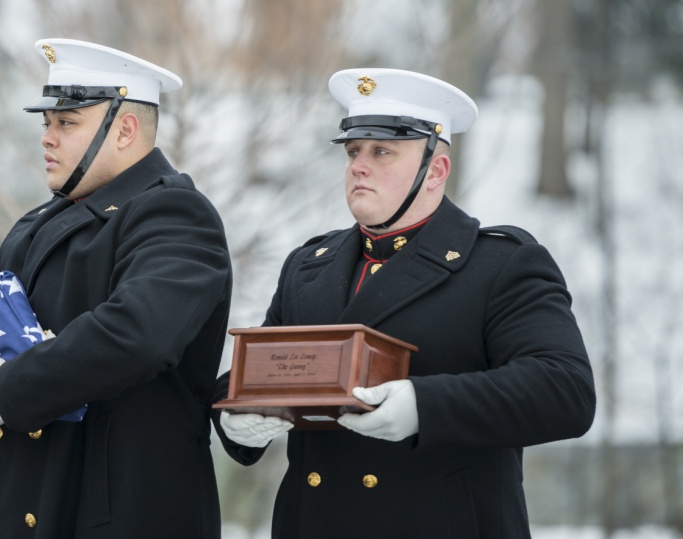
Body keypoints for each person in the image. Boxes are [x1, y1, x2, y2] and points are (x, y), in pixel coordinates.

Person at [213, 68, 595, 538]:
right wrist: (232, 414)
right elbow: (268, 367)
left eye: (382, 151)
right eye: (353, 151)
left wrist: (425, 406)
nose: (357, 165)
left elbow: (565, 390)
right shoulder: (308, 266)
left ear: (435, 170)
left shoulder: (500, 265)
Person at [0, 38, 232, 538]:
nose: (47, 137)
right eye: (47, 123)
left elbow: (134, 334)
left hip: (110, 516)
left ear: (125, 129)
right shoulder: (38, 222)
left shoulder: (175, 214)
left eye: (66, 123)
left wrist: (1, 391)